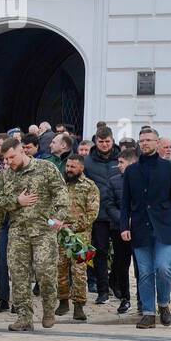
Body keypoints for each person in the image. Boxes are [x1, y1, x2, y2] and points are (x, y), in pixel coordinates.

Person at [0, 136, 69, 331]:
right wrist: (16, 201)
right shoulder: (5, 175)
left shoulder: (45, 168)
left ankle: (48, 308)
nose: (8, 162)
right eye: (5, 159)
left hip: (43, 230)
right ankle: (24, 317)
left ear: (22, 151)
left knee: (45, 272)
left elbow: (61, 193)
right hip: (18, 231)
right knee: (19, 275)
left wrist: (59, 217)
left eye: (12, 157)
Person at [120, 126, 171, 329]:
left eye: (149, 140)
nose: (144, 143)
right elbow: (125, 202)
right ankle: (149, 313)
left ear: (157, 142)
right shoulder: (132, 171)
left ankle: (163, 304)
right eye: (142, 140)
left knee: (163, 268)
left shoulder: (170, 168)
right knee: (144, 272)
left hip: (165, 228)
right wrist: (124, 226)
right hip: (140, 227)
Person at [54, 154, 101, 322]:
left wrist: (72, 227)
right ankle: (63, 301)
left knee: (79, 271)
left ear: (81, 168)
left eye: (73, 167)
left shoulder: (90, 186)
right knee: (60, 269)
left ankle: (79, 306)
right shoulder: (61, 184)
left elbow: (92, 213)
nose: (69, 170)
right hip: (60, 234)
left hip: (80, 236)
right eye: (68, 166)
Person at [83, 127, 120, 305]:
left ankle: (115, 282)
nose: (104, 145)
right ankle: (102, 290)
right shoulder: (88, 162)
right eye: (101, 141)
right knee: (100, 253)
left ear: (112, 141)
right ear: (96, 141)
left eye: (107, 141)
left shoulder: (121, 159)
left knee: (121, 254)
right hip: (98, 215)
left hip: (119, 213)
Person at [103, 147, 136, 314]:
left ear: (132, 163)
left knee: (141, 265)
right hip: (119, 229)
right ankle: (125, 298)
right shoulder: (114, 180)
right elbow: (108, 204)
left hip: (140, 229)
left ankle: (143, 300)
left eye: (122, 162)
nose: (119, 165)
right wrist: (123, 220)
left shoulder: (142, 180)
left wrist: (134, 220)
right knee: (121, 264)